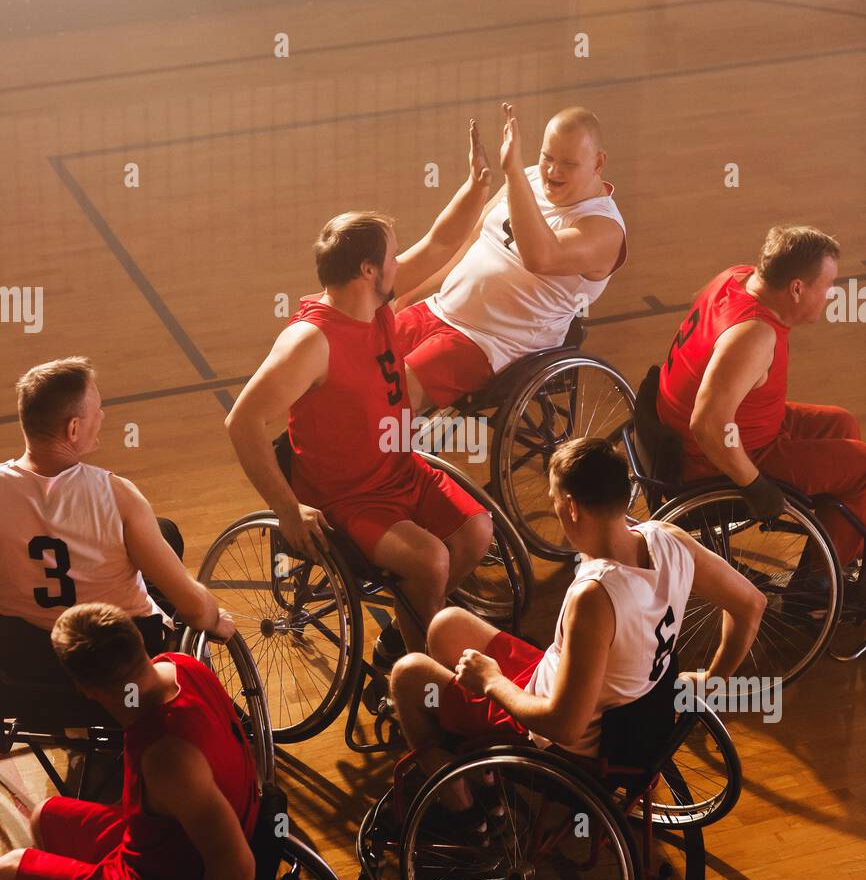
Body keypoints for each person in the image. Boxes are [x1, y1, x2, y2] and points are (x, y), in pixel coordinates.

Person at [389, 438, 766, 827]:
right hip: (627, 712)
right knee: (446, 626)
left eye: (554, 500)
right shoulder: (668, 539)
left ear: (571, 506)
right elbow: (751, 605)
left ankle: (464, 813)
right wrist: (711, 679)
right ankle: (477, 769)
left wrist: (491, 682)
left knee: (407, 674)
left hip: (567, 742)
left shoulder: (596, 596)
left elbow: (562, 725)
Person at [226, 120, 496, 654]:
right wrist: (285, 508)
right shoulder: (310, 342)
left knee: (477, 533)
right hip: (349, 498)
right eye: (392, 257)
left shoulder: (376, 303)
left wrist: (477, 185)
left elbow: (441, 241)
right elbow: (242, 421)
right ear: (368, 269)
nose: (402, 262)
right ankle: (421, 674)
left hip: (401, 469)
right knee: (431, 559)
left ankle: (409, 635)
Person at [0, 602, 260, 880]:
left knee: (5, 877)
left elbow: (237, 867)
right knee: (46, 816)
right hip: (164, 846)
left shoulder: (167, 757)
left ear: (82, 688)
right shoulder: (179, 666)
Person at [0, 357, 235, 718]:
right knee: (161, 545)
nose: (104, 417)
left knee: (165, 529)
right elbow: (193, 609)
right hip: (122, 672)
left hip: (30, 672)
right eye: (98, 409)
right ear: (73, 428)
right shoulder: (117, 495)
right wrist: (215, 619)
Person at [393, 102, 627, 411]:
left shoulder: (604, 229)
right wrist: (414, 291)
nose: (553, 171)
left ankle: (385, 458)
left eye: (568, 164)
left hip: (490, 344)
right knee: (356, 359)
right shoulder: (528, 178)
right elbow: (468, 241)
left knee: (394, 394)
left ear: (598, 163)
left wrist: (513, 172)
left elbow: (541, 256)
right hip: (441, 310)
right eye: (547, 157)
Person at [656, 225, 865, 569]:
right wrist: (754, 485)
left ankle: (840, 544)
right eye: (828, 285)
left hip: (719, 429)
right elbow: (708, 425)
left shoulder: (735, 278)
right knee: (862, 466)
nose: (832, 294)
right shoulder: (754, 335)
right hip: (717, 462)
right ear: (797, 288)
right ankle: (816, 589)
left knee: (839, 421)